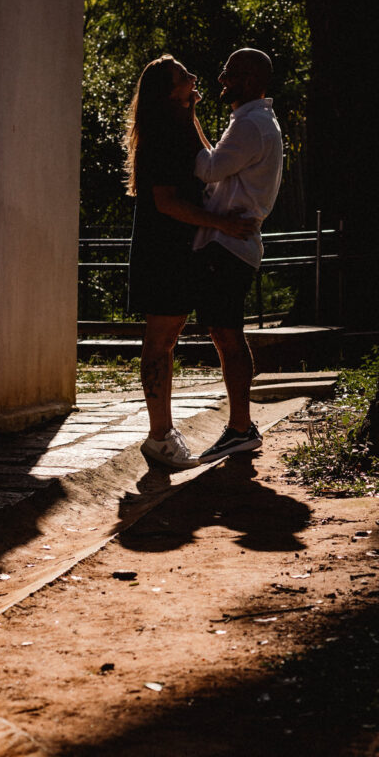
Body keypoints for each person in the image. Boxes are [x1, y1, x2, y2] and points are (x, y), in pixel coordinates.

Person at [125, 55, 255, 470]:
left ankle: (163, 434)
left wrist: (192, 111)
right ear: (168, 93)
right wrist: (222, 224)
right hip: (161, 249)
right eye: (184, 76)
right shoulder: (163, 134)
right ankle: (159, 436)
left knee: (167, 339)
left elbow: (208, 162)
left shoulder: (176, 124)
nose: (194, 77)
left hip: (179, 247)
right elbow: (166, 202)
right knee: (160, 340)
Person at [192, 48, 284, 464]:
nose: (221, 80)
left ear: (248, 79)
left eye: (228, 73)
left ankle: (241, 428)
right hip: (230, 244)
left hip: (229, 246)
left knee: (228, 336)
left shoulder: (250, 125)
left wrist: (187, 117)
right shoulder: (253, 122)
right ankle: (241, 426)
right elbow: (218, 164)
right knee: (225, 334)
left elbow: (208, 169)